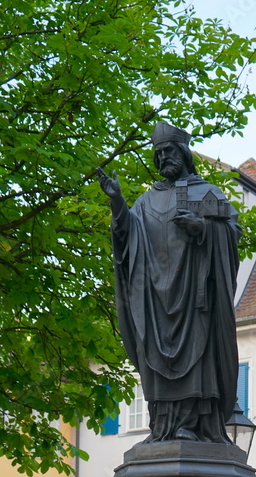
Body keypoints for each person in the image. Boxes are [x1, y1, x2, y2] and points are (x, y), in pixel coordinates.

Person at [97, 121, 240, 443]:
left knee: (196, 357)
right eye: (158, 154)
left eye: (169, 152)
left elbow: (231, 235)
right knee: (156, 358)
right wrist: (117, 202)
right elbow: (127, 234)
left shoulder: (208, 193)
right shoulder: (147, 201)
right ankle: (161, 426)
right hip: (153, 295)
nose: (163, 159)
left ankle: (190, 424)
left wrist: (203, 228)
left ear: (184, 153)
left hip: (193, 295)